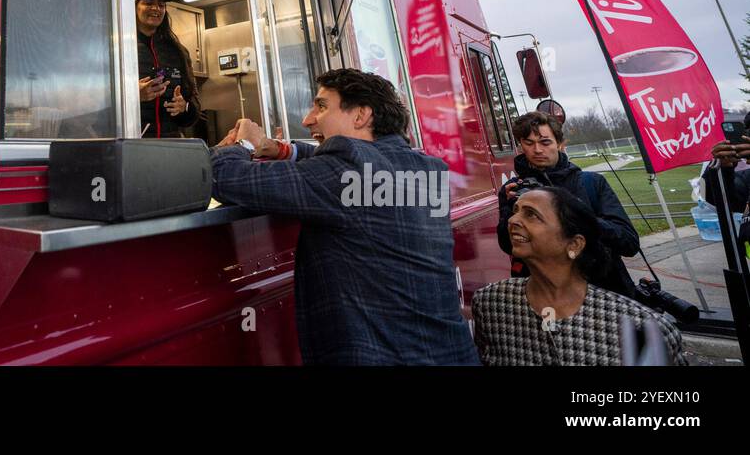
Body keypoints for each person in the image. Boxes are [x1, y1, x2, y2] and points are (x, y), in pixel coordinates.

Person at [211, 68, 478, 365]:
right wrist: (280, 149)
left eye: (322, 106)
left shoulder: (347, 172)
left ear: (361, 115)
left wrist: (245, 144)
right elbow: (338, 166)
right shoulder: (425, 169)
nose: (308, 119)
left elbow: (223, 176)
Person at [473, 186, 686, 365]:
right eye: (515, 210)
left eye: (531, 215)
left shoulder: (641, 327)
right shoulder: (489, 303)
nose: (513, 220)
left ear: (574, 244)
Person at [496, 111, 640, 299]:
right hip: (544, 295)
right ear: (521, 145)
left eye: (545, 142)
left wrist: (577, 216)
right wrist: (510, 210)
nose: (537, 150)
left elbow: (629, 243)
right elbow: (508, 246)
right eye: (529, 143)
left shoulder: (591, 183)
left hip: (603, 291)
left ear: (559, 143)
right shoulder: (513, 190)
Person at [133, 0, 200, 138]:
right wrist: (133, 96)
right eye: (148, 3)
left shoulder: (178, 52)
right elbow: (96, 103)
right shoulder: (117, 49)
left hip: (170, 144)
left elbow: (194, 104)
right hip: (132, 143)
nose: (156, 8)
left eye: (161, 5)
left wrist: (185, 107)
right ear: (133, 7)